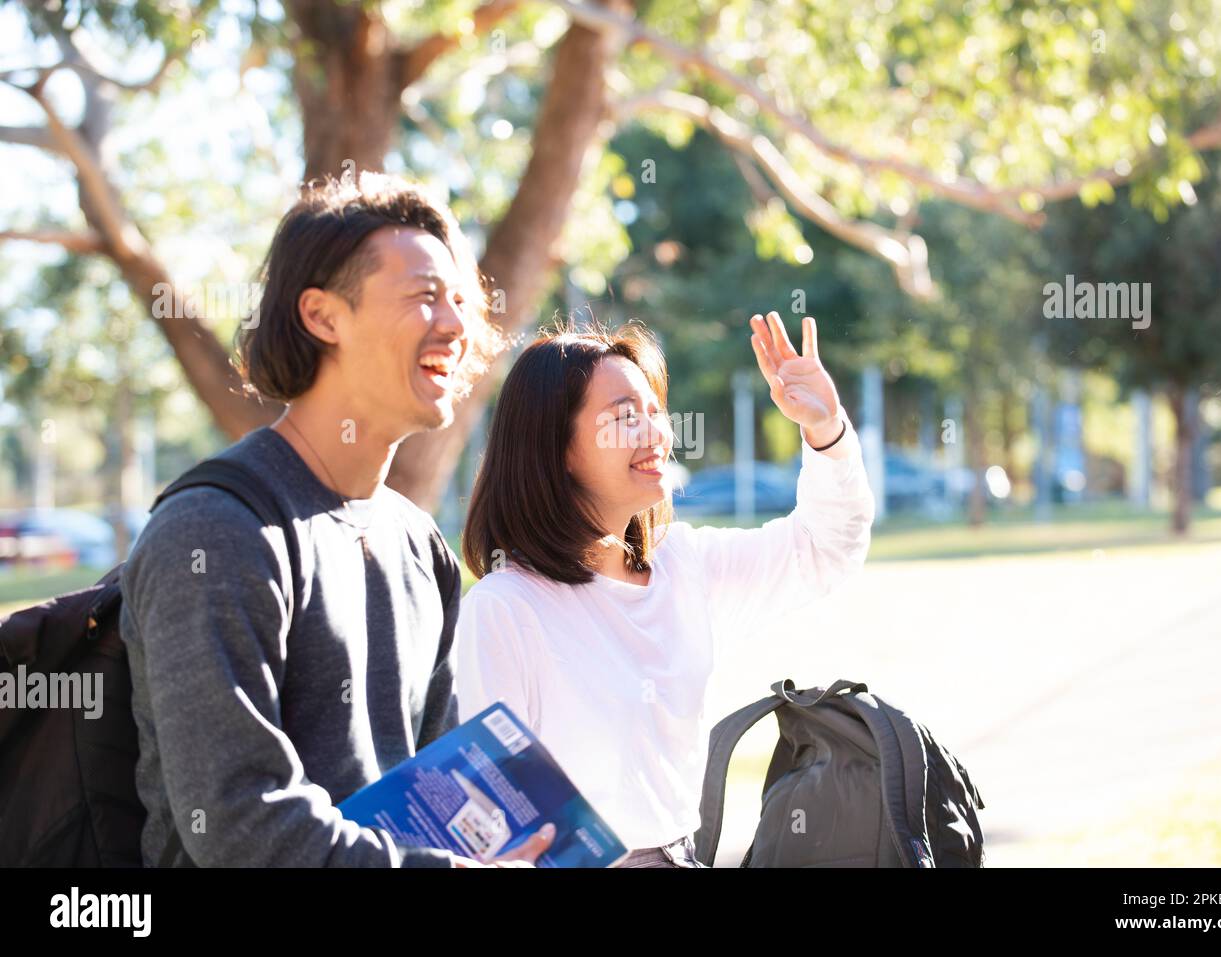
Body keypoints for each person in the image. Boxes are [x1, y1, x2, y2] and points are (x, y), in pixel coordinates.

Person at [120, 173, 552, 867]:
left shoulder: (419, 545)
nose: (455, 324)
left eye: (459, 301)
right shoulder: (216, 530)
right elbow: (237, 824)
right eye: (423, 297)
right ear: (323, 317)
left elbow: (441, 786)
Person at [455, 311, 875, 867]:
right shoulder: (505, 609)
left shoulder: (684, 566)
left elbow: (825, 549)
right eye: (625, 416)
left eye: (655, 412)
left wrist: (826, 430)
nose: (655, 432)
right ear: (554, 447)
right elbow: (484, 811)